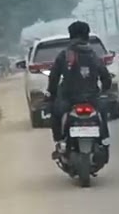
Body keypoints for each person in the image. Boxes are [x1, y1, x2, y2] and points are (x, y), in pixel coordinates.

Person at [46, 20, 113, 156]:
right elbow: (105, 77)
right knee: (102, 114)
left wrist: (51, 95)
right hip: (92, 98)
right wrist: (104, 90)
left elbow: (54, 77)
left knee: (55, 113)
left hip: (68, 99)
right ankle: (104, 140)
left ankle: (60, 143)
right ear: (87, 36)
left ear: (71, 35)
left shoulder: (64, 55)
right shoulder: (93, 54)